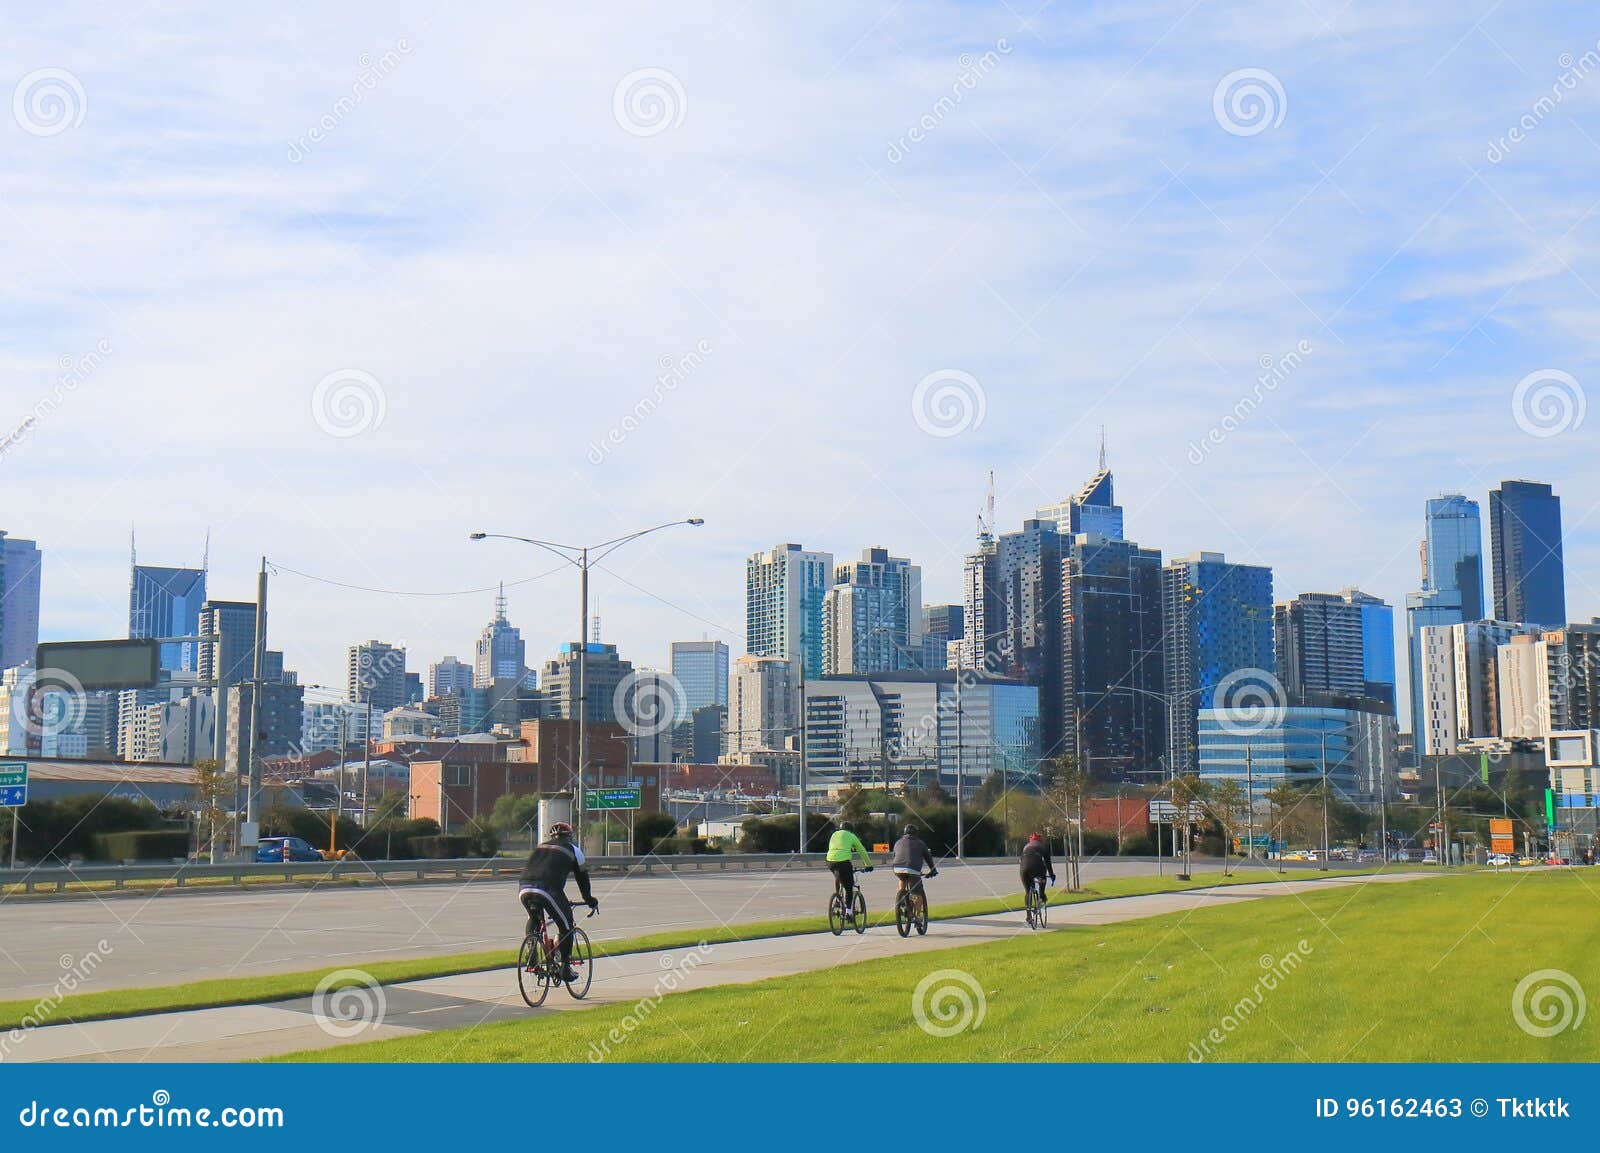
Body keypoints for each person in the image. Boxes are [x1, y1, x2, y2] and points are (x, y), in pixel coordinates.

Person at [517, 821, 598, 982]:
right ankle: (565, 968)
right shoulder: (574, 850)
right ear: (569, 836)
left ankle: (532, 955)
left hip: (524, 888)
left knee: (534, 918)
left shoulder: (540, 847)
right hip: (548, 889)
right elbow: (582, 877)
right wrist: (589, 900)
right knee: (566, 925)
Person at [891, 823, 938, 914]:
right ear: (916, 834)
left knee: (902, 879)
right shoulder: (920, 843)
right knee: (917, 893)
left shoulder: (898, 842)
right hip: (913, 869)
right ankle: (918, 917)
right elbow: (928, 858)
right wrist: (933, 870)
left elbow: (894, 855)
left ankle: (902, 898)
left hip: (897, 868)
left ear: (904, 833)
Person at [825, 820, 874, 908]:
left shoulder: (834, 834)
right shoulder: (852, 836)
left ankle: (837, 899)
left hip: (830, 861)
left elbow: (837, 847)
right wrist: (868, 865)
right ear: (851, 830)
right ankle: (848, 912)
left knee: (838, 876)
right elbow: (862, 851)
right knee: (849, 886)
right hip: (843, 862)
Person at [1019, 831, 1055, 908]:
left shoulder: (1026, 846)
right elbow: (1048, 863)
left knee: (1028, 892)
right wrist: (1052, 875)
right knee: (1042, 876)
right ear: (1040, 840)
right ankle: (1041, 894)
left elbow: (1021, 859)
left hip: (1023, 868)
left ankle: (1028, 914)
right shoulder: (1042, 846)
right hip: (1036, 865)